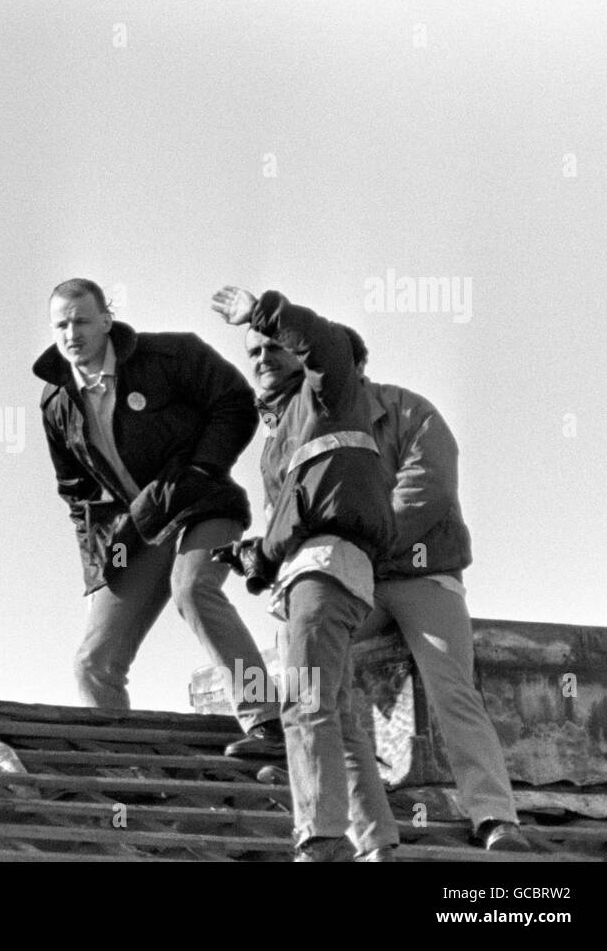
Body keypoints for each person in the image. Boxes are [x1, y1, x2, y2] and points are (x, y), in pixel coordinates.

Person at [33, 278, 284, 758]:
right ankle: (122, 759)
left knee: (194, 588)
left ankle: (266, 722)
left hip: (201, 505)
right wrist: (96, 573)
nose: (72, 334)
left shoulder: (171, 356)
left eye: (82, 321)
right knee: (93, 661)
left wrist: (202, 467)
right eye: (61, 324)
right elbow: (76, 493)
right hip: (139, 530)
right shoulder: (56, 402)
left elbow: (234, 402)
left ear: (107, 321)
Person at [210, 286, 399, 860]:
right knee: (336, 717)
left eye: (272, 347)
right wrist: (256, 556)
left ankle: (319, 838)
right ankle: (375, 843)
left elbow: (326, 346)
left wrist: (264, 312)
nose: (262, 357)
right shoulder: (287, 430)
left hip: (324, 568)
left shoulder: (331, 394)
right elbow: (302, 507)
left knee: (304, 703)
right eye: (253, 352)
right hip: (311, 571)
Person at [343, 329, 529, 852]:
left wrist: (361, 550)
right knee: (314, 668)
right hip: (359, 580)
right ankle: (334, 795)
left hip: (424, 575)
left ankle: (495, 816)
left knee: (454, 688)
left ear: (359, 366)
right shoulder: (311, 424)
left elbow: (426, 490)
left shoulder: (410, 412)